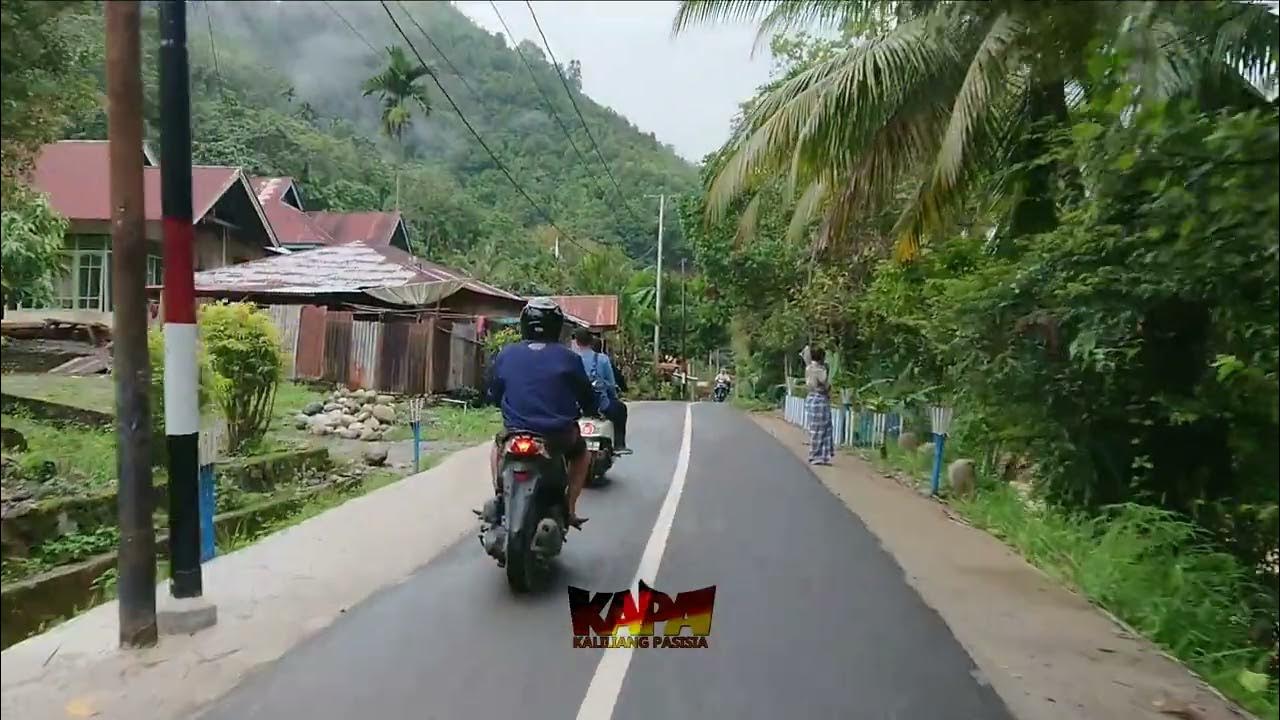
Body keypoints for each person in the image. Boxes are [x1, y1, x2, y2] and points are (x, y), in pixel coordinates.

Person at [487, 298, 597, 527]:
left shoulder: (507, 354)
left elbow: (494, 393)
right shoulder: (570, 358)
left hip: (516, 433)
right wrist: (590, 409)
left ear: (524, 323)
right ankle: (569, 507)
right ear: (557, 326)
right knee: (581, 454)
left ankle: (500, 494)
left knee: (497, 447)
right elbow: (587, 397)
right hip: (557, 435)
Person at [571, 328, 630, 453]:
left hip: (575, 408)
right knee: (621, 409)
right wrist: (614, 397)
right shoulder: (602, 359)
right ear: (591, 342)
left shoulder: (570, 358)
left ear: (576, 342)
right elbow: (611, 384)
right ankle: (619, 445)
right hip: (601, 406)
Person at [802, 345, 833, 465]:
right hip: (820, 399)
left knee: (815, 428)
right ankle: (817, 455)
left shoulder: (808, 368)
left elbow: (805, 353)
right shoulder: (820, 370)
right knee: (822, 428)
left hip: (810, 398)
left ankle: (817, 455)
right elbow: (825, 383)